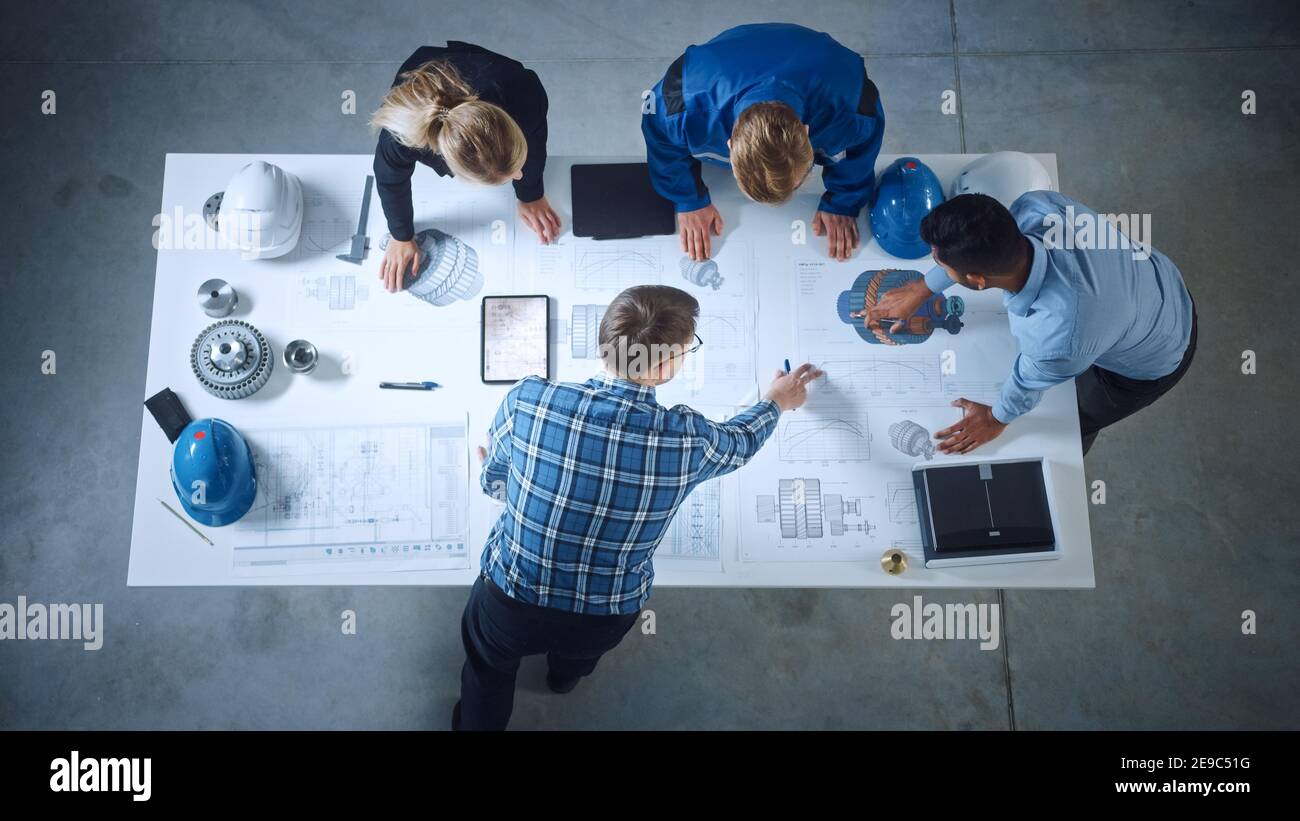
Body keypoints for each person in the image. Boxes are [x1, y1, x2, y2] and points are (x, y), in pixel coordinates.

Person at [455, 285, 823, 730]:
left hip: (509, 601)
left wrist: (511, 483)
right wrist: (778, 399)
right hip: (602, 616)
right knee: (576, 659)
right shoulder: (688, 439)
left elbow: (492, 479)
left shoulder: (528, 399)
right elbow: (741, 442)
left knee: (488, 671)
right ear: (665, 367)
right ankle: (562, 680)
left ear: (604, 342)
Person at [867, 191, 1196, 455]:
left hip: (1157, 352)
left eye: (942, 265)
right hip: (1158, 280)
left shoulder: (1059, 334)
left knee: (1069, 420)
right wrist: (922, 288)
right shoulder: (1037, 207)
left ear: (977, 280)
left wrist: (995, 418)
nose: (939, 268)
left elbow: (1028, 381)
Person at [641, 23, 885, 263]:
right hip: (720, 62)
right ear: (730, 145)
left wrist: (843, 202)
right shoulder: (680, 103)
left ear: (806, 131)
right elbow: (660, 139)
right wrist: (688, 199)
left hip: (824, 63)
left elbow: (862, 147)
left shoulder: (854, 108)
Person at [370, 42, 561, 292]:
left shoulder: (524, 91)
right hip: (421, 77)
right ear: (454, 168)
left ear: (515, 125)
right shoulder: (400, 138)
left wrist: (530, 192)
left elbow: (534, 141)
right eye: (509, 176)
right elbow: (390, 179)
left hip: (486, 71)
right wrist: (401, 235)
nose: (519, 174)